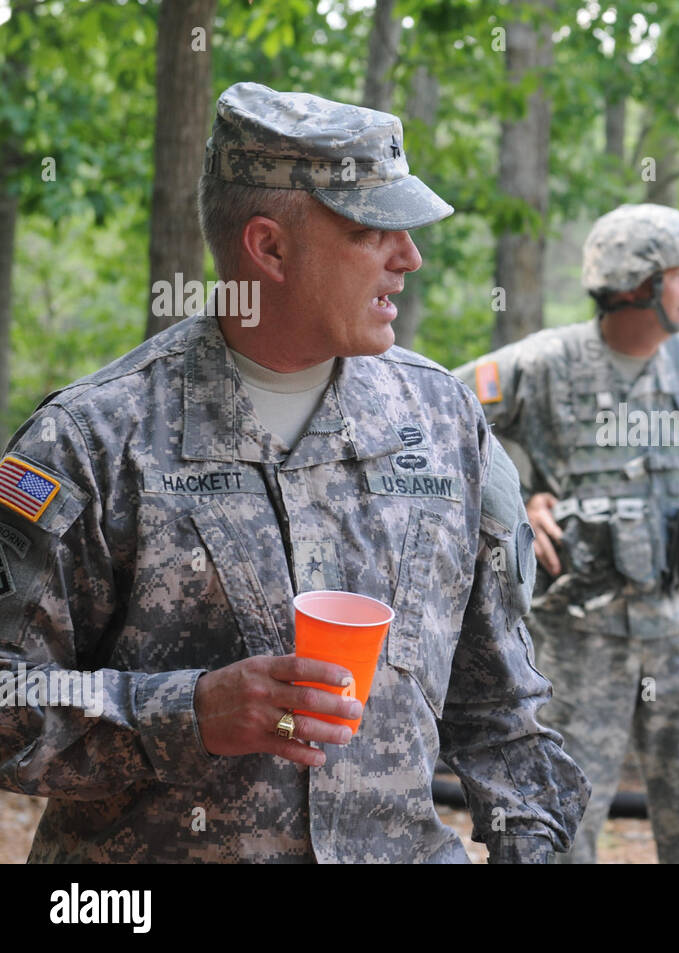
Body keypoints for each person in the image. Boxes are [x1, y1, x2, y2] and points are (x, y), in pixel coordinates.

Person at [0, 82, 588, 863]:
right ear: (269, 248)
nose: (408, 255)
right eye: (372, 229)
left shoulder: (444, 419)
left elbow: (502, 704)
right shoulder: (90, 440)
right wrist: (191, 712)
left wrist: (532, 845)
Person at [455, 203, 679, 863]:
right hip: (576, 644)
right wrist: (512, 506)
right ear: (635, 284)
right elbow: (445, 418)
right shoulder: (542, 364)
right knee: (563, 821)